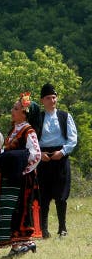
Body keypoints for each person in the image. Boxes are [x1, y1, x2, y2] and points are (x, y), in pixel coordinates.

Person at [0, 93, 41, 256]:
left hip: (23, 178)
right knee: (9, 208)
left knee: (21, 208)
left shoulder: (28, 131)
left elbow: (36, 154)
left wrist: (22, 169)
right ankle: (15, 246)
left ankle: (26, 242)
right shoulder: (14, 130)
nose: (12, 111)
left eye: (16, 108)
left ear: (24, 113)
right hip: (10, 176)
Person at [33, 83, 78, 238]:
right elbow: (32, 139)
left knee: (61, 195)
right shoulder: (37, 117)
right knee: (43, 195)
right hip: (44, 157)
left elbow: (73, 139)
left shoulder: (65, 116)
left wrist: (63, 151)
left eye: (54, 97)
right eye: (48, 98)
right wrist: (39, 153)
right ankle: (44, 230)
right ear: (42, 100)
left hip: (61, 157)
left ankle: (62, 228)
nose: (52, 100)